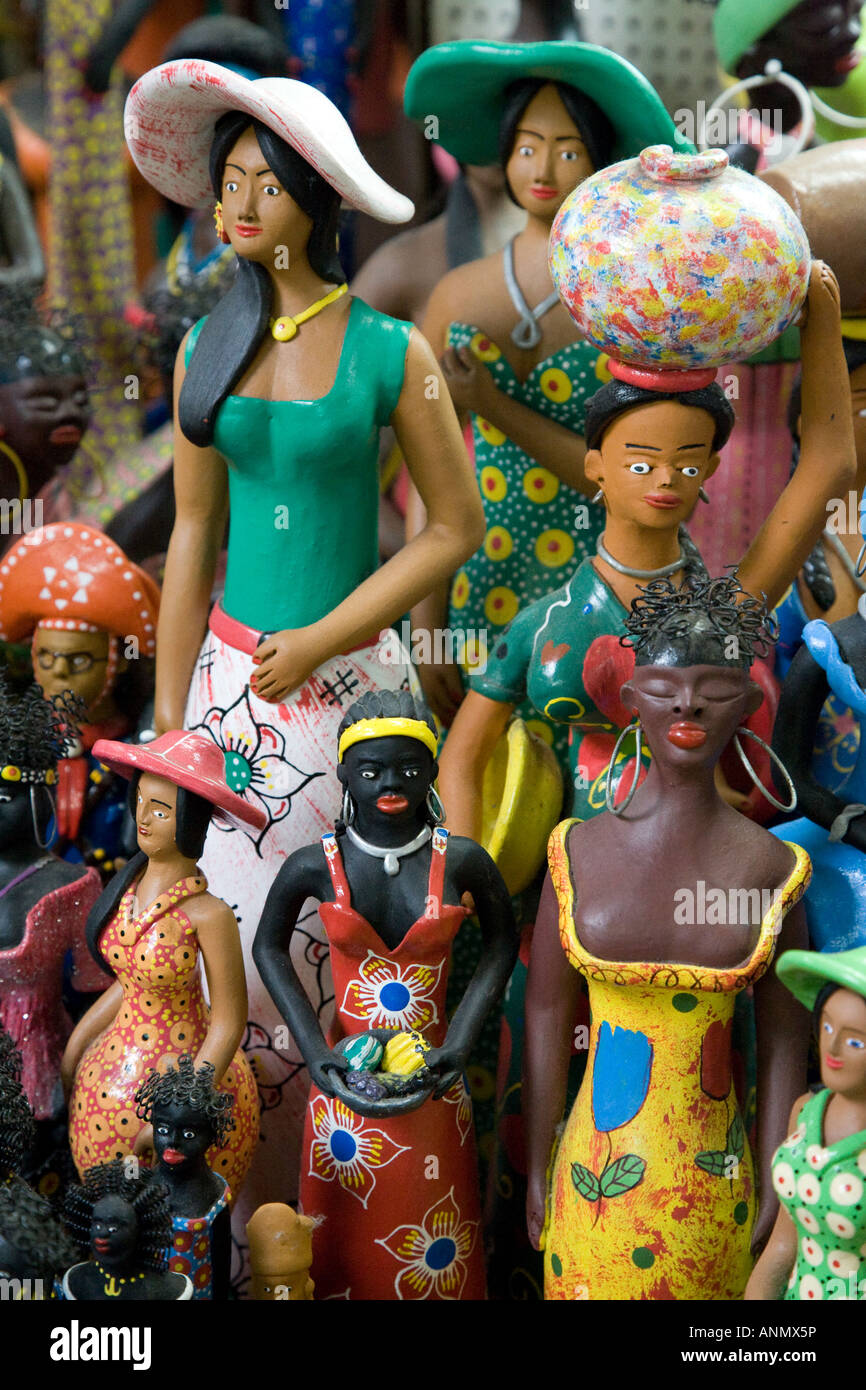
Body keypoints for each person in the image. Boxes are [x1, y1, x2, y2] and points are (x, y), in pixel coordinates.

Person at [123, 57, 484, 1247]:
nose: (235, 207)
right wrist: (174, 730)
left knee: (352, 932)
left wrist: (324, 639)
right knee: (236, 940)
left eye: (260, 185)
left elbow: (454, 529)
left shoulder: (391, 350)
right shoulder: (202, 355)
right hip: (230, 700)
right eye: (225, 182)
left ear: (315, 200)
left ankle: (361, 1212)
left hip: (355, 701)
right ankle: (241, 1214)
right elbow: (189, 540)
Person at [525, 573, 811, 1299]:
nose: (688, 703)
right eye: (666, 684)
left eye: (714, 687)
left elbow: (784, 1040)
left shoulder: (774, 868)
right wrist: (536, 1160)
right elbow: (549, 1013)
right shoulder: (574, 851)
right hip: (588, 1181)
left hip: (715, 1189)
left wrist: (780, 1173)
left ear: (748, 704)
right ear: (631, 698)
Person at [403, 39, 686, 730]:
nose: (544, 167)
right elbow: (429, 474)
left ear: (601, 158)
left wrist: (494, 407)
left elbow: (622, 478)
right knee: (479, 772)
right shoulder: (455, 297)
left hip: (600, 586)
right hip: (477, 577)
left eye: (568, 148)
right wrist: (424, 621)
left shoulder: (627, 304)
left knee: (589, 763)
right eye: (528, 145)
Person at [253, 690, 517, 1300]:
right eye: (370, 771)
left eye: (408, 767)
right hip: (343, 1092)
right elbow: (268, 947)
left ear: (431, 771)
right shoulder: (313, 865)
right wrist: (318, 1051)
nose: (389, 784)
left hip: (435, 1085)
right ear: (344, 773)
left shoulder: (463, 862)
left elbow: (503, 942)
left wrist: (459, 1040)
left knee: (434, 1250)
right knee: (340, 1252)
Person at [62, 731, 263, 1199]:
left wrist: (185, 1110)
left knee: (179, 1222)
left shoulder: (208, 914)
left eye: (162, 810)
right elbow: (127, 984)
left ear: (191, 822)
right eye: (142, 803)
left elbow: (229, 1023)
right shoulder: (125, 895)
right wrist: (76, 1047)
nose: (144, 820)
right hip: (108, 1084)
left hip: (185, 1097)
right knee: (112, 1218)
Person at [0, 523, 160, 874]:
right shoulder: (24, 745)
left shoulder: (143, 744)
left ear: (116, 663)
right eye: (45, 658)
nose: (58, 673)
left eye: (79, 661)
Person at [746, 944, 866, 1300]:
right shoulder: (806, 1112)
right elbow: (784, 1244)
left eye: (855, 1041)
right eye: (828, 1025)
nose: (832, 1050)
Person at [134, 1054, 234, 1300]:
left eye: (189, 1134)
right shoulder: (142, 1187)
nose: (173, 1143)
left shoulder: (215, 1196)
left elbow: (222, 1261)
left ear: (211, 1136)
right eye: (163, 1130)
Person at [62, 1158, 192, 1300]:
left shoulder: (169, 1290)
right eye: (98, 1225)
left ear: (143, 1230)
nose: (102, 1233)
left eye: (114, 1228)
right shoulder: (76, 1282)